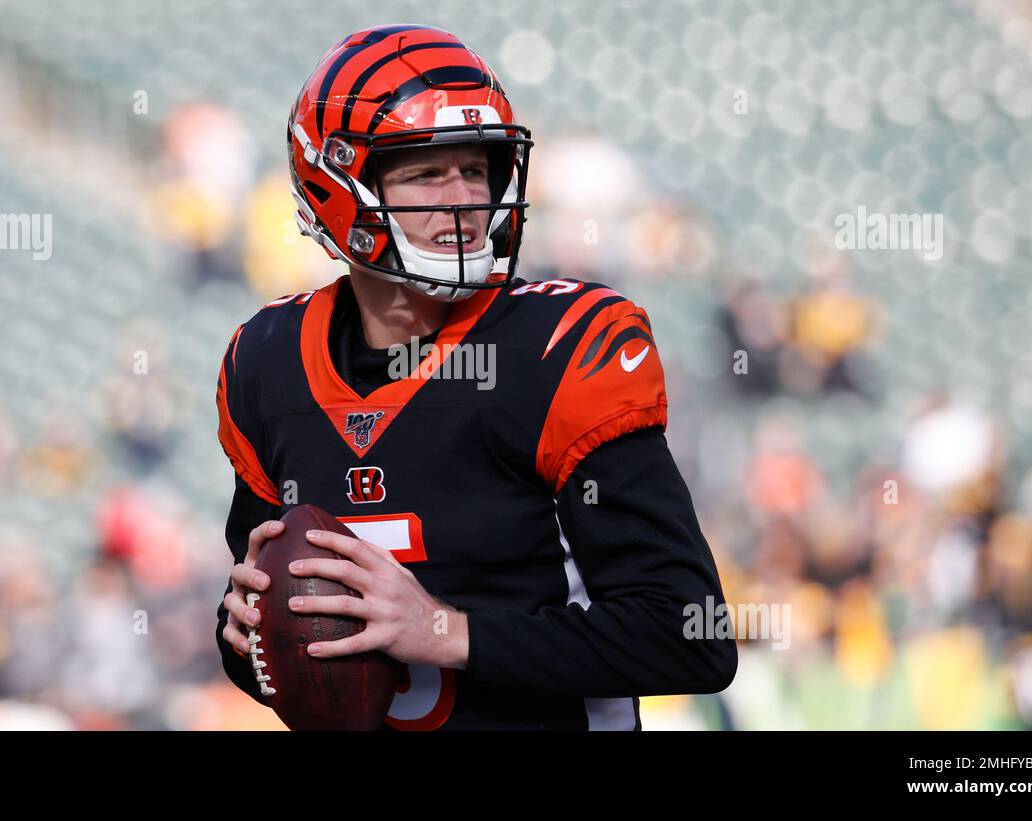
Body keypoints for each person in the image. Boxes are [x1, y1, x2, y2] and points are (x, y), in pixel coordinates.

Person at [215, 23, 736, 730]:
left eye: (478, 169)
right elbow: (276, 645)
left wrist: (442, 631)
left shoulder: (559, 349)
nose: (463, 201)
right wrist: (245, 637)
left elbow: (689, 636)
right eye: (426, 172)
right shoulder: (267, 362)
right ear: (338, 182)